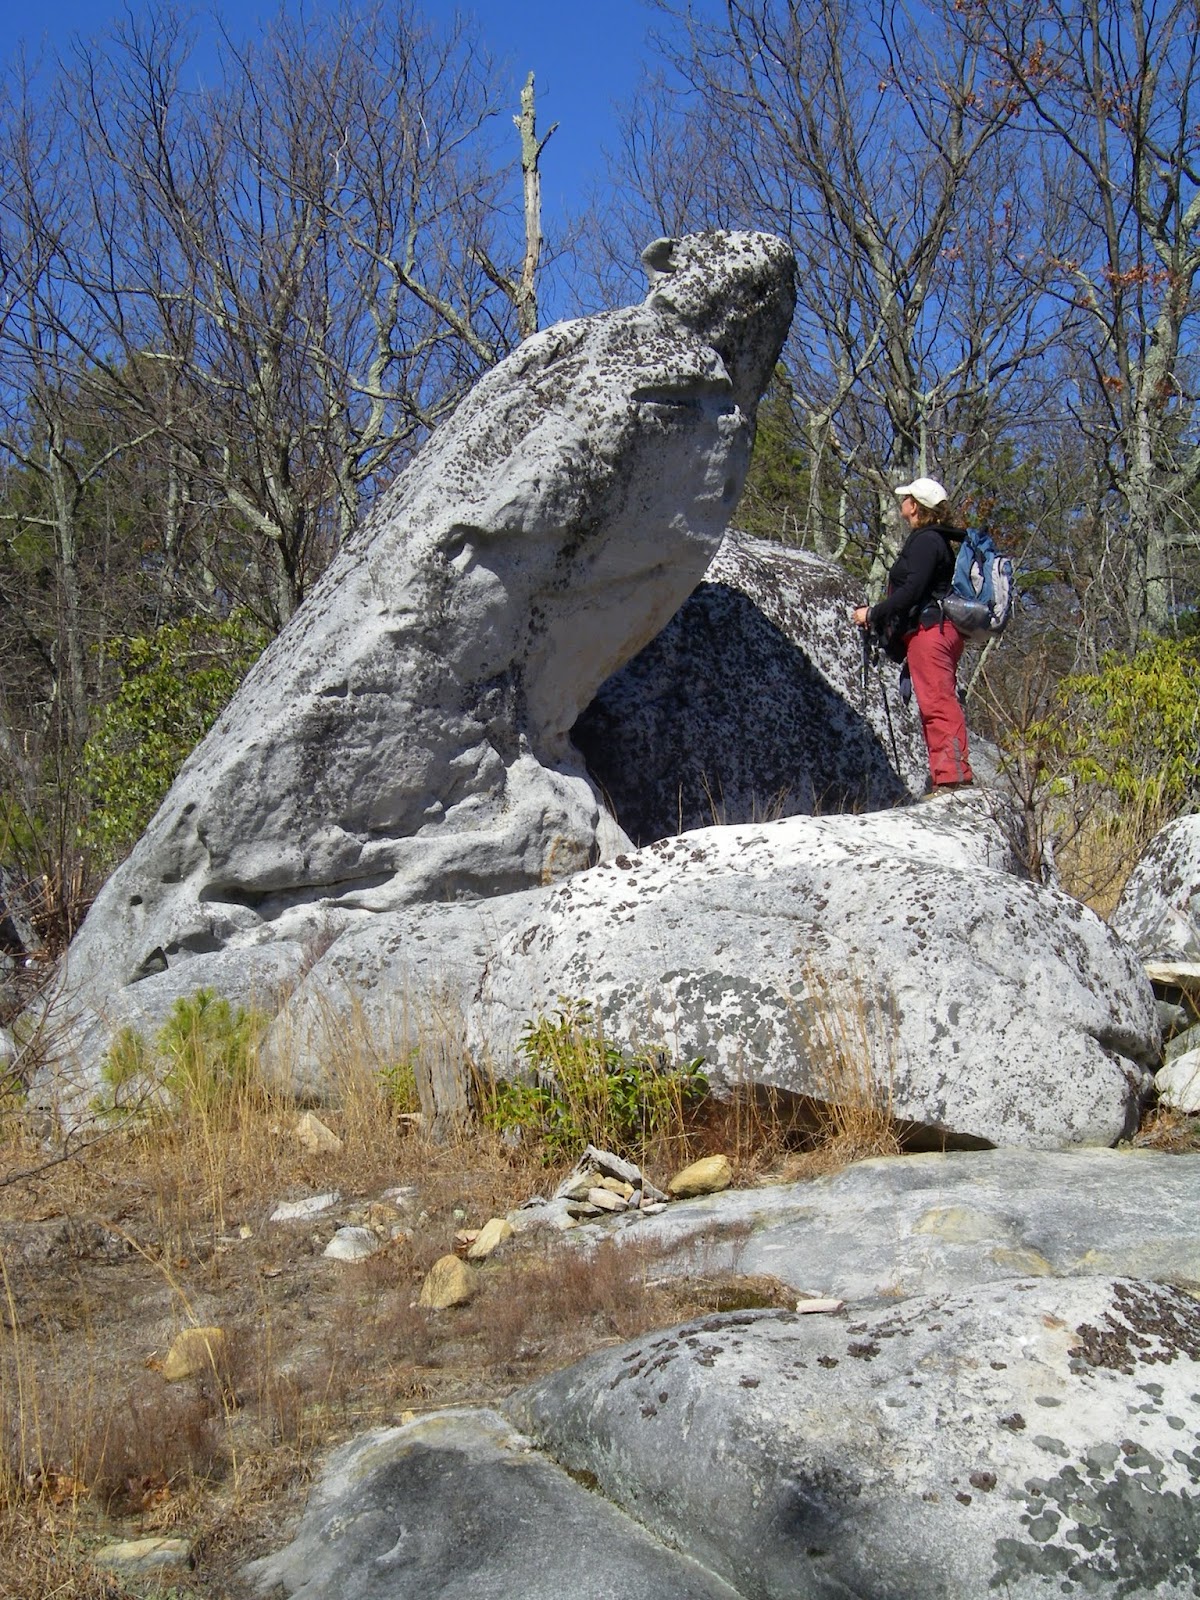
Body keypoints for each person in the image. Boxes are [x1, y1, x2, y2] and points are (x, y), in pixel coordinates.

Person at [851, 476, 973, 792]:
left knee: (937, 703)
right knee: (935, 701)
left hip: (930, 632)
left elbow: (911, 591)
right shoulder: (935, 541)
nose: (902, 503)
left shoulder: (926, 541)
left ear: (915, 506)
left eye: (906, 499)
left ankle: (953, 778)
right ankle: (947, 776)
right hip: (938, 630)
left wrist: (873, 613)